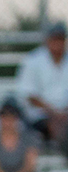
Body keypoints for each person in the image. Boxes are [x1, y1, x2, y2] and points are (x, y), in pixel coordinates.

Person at [17, 23, 68, 152]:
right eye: (55, 39)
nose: (58, 43)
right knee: (58, 126)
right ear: (47, 40)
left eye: (60, 39)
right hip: (40, 116)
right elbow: (29, 96)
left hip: (64, 115)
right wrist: (54, 113)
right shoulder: (33, 60)